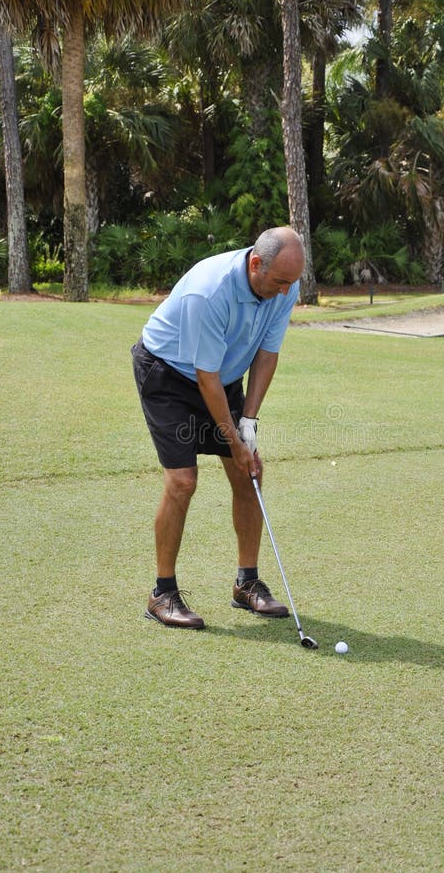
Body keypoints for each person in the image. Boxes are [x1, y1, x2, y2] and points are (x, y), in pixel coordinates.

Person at [131, 226, 305, 629]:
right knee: (182, 481)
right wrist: (234, 441)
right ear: (256, 264)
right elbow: (204, 376)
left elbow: (267, 354)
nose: (286, 292)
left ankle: (247, 583)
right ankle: (162, 594)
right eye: (280, 282)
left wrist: (249, 426)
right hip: (168, 374)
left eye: (291, 283)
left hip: (222, 377)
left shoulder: (284, 283)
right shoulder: (209, 291)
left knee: (249, 473)